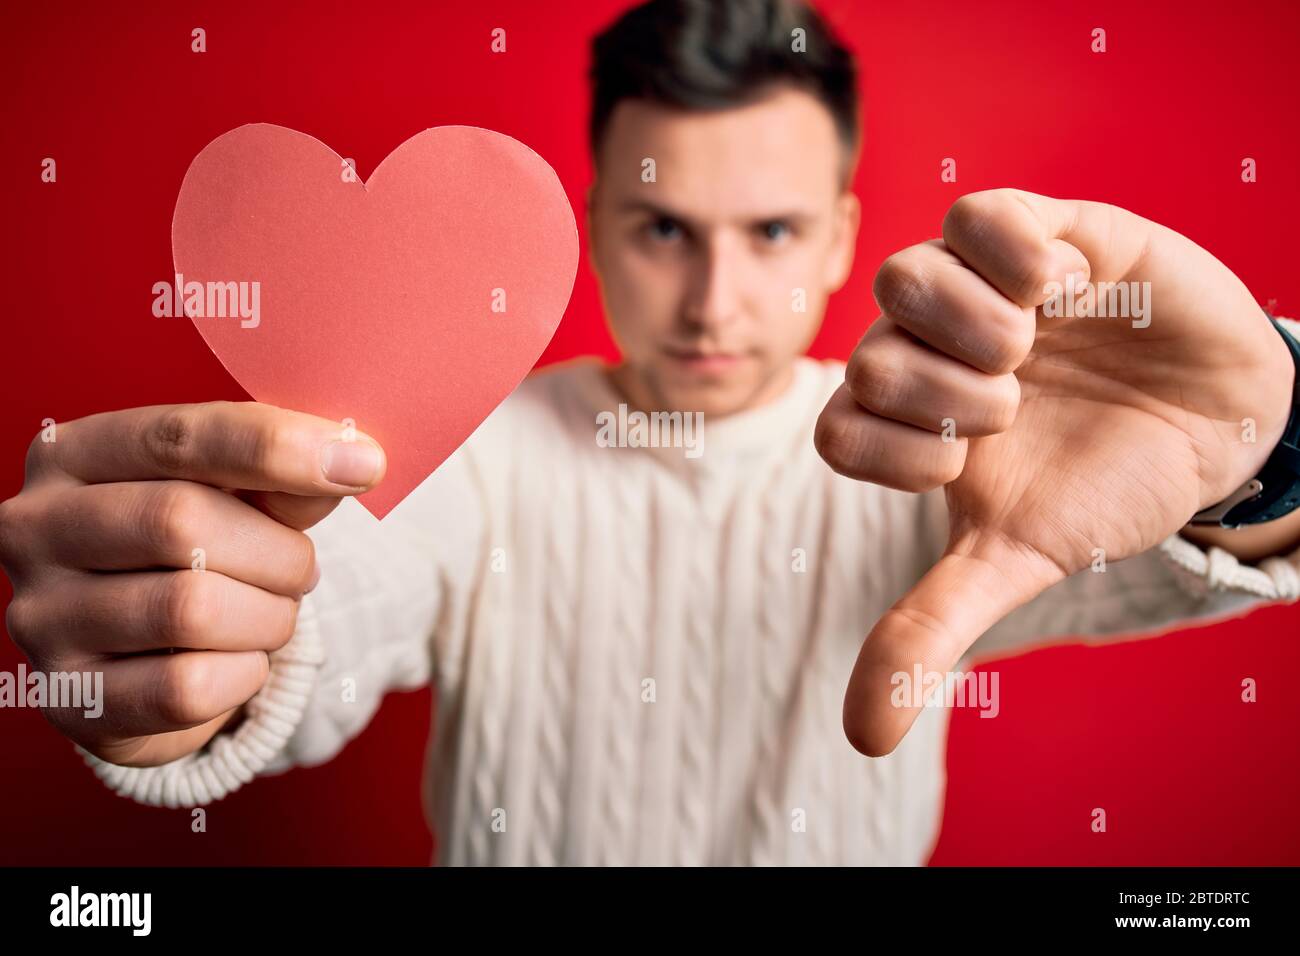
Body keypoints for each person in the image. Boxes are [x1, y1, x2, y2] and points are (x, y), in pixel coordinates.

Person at [2, 0, 1298, 865]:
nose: (715, 301)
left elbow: (1168, 556)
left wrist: (1263, 434)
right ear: (592, 219)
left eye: (774, 233)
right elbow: (334, 600)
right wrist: (187, 652)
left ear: (843, 235)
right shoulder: (479, 450)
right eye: (665, 227)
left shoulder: (953, 450)